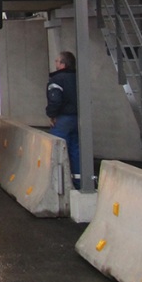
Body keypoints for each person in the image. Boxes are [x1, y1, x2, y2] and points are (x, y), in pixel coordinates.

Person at [46, 50, 81, 188]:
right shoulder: (78, 78)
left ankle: (60, 185)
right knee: (75, 150)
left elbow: (55, 100)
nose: (55, 63)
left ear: (63, 64)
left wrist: (52, 115)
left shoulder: (57, 80)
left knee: (58, 151)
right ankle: (78, 181)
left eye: (57, 61)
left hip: (62, 120)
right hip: (78, 119)